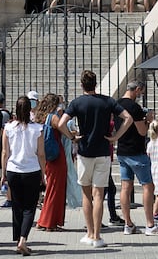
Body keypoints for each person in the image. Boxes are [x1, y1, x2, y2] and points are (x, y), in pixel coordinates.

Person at [56, 70, 133, 247]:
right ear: (96, 84)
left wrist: (72, 137)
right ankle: (97, 236)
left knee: (87, 194)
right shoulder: (107, 101)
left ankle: (90, 233)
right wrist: (116, 137)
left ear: (81, 84)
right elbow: (127, 118)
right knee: (99, 195)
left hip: (85, 152)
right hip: (103, 151)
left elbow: (61, 123)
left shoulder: (77, 103)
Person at [0, 95, 44, 256]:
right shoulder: (37, 129)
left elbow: (5, 152)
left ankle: (18, 238)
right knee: (29, 207)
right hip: (32, 169)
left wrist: (3, 173)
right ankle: (23, 239)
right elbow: (41, 154)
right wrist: (44, 173)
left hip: (13, 169)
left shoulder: (8, 127)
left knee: (17, 206)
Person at [115, 81, 157, 235]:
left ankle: (128, 224)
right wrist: (148, 120)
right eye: (141, 92)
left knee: (125, 187)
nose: (141, 95)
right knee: (148, 186)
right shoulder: (134, 107)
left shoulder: (117, 104)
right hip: (136, 151)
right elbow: (142, 131)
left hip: (122, 150)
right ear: (137, 89)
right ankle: (150, 224)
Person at [35, 94, 66, 232]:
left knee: (50, 188)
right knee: (56, 188)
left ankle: (44, 220)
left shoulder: (40, 117)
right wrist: (72, 136)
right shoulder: (53, 117)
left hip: (46, 154)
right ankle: (49, 222)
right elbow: (62, 128)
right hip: (57, 154)